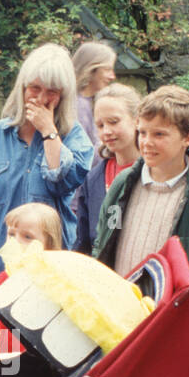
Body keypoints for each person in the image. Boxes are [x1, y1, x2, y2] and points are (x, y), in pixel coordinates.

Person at [0, 44, 94, 303]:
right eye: (35, 88)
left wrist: (49, 131)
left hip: (50, 267)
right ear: (22, 88)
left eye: (51, 92)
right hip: (1, 262)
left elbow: (60, 181)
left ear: (64, 95)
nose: (41, 98)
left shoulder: (76, 139)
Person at [92, 84, 189, 324]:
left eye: (159, 134)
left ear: (188, 138)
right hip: (114, 315)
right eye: (143, 132)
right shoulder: (122, 185)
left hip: (167, 324)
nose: (147, 142)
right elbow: (103, 241)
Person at [0, 202, 64, 354]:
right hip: (8, 359)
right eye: (12, 234)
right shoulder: (3, 280)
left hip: (40, 361)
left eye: (27, 237)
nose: (16, 241)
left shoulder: (54, 282)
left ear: (49, 244)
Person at [75, 83, 141, 255]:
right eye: (100, 125)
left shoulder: (154, 173)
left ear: (137, 120)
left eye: (114, 122)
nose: (107, 131)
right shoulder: (94, 179)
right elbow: (83, 243)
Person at [71, 41, 118, 146]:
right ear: (90, 70)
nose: (112, 76)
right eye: (107, 69)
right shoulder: (76, 106)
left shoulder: (98, 101)